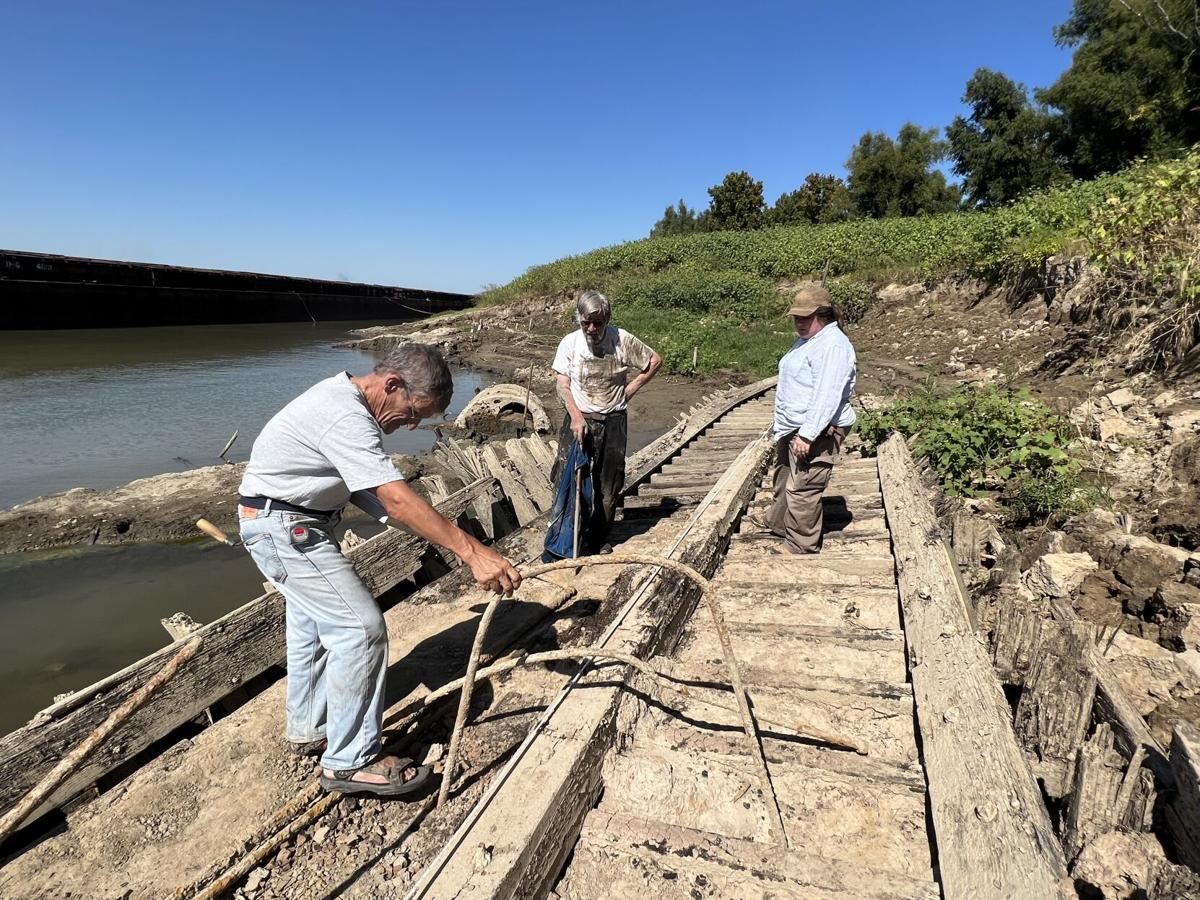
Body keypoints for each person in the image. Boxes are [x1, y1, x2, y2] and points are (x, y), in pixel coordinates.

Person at [237, 343, 522, 797]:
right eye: (414, 412)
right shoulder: (345, 415)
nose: (411, 425)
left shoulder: (343, 403)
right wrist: (471, 552)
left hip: (287, 520)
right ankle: (349, 763)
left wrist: (426, 528)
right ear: (392, 385)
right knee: (360, 629)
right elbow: (391, 497)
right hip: (283, 527)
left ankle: (310, 726)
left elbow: (372, 495)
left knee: (312, 628)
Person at [549, 290, 661, 554]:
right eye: (585, 322)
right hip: (580, 420)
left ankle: (597, 539)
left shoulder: (621, 340)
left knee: (608, 484)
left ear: (607, 319)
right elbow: (562, 384)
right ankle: (566, 538)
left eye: (597, 323)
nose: (591, 328)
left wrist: (630, 390)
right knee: (566, 477)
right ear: (578, 318)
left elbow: (654, 361)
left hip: (613, 421)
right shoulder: (570, 343)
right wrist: (576, 416)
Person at [765, 282, 857, 554]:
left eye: (805, 317)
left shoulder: (833, 345)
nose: (799, 323)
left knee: (804, 488)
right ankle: (780, 525)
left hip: (817, 430)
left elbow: (826, 394)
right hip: (793, 426)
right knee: (784, 478)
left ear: (823, 315)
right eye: (796, 317)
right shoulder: (809, 340)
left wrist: (807, 434)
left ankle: (801, 544)